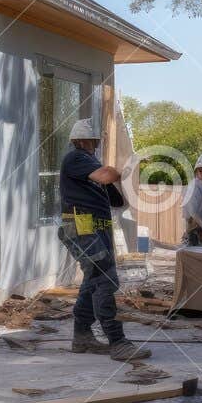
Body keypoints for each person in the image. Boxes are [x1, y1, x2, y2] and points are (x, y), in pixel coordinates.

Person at [58, 119, 149, 362]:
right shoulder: (76, 158)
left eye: (97, 142)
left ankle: (82, 336)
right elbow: (108, 175)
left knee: (93, 280)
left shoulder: (91, 167)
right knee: (106, 279)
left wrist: (114, 179)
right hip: (81, 226)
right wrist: (126, 170)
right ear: (81, 141)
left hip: (95, 228)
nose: (96, 145)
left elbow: (117, 201)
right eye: (94, 141)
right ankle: (117, 342)